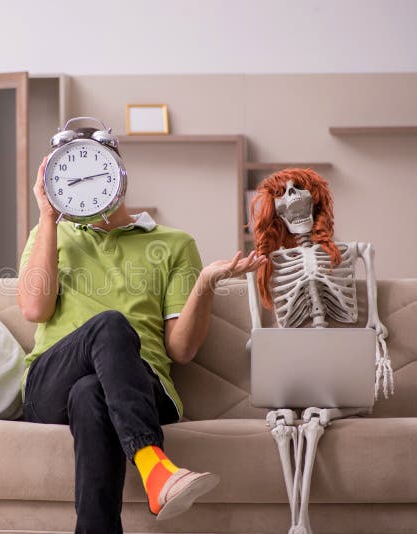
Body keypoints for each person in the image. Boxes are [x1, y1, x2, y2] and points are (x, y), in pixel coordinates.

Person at [17, 130, 266, 533]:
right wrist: (47, 217)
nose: (86, 186)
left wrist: (204, 283)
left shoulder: (174, 244)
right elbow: (33, 308)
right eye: (71, 179)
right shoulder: (49, 236)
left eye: (96, 175)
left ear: (120, 178)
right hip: (50, 386)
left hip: (143, 386)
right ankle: (154, 465)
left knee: (90, 392)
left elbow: (181, 350)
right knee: (110, 325)